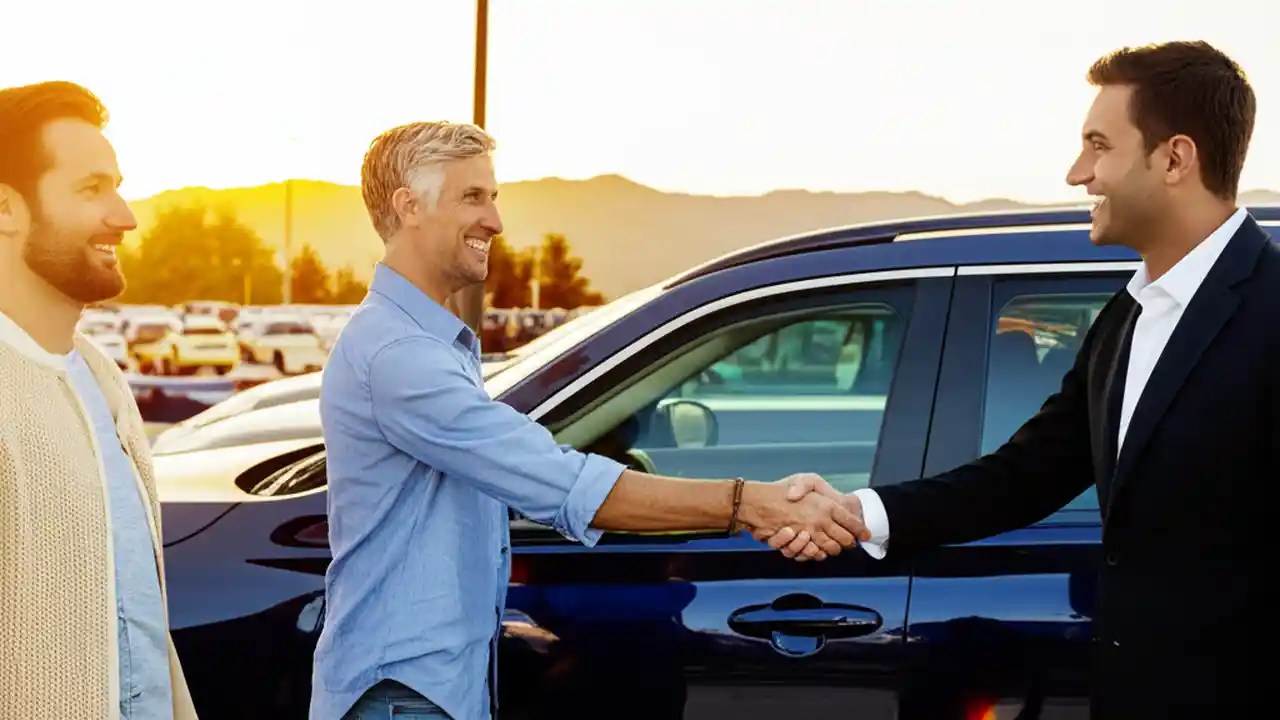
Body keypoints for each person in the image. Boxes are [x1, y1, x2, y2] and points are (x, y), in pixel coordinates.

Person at [765, 40, 1267, 718]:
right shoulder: (1128, 317)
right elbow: (1025, 474)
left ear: (1174, 158)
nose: (1076, 173)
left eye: (1099, 146)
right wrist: (860, 515)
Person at [312, 121, 869, 720]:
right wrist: (749, 503)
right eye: (473, 197)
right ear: (408, 206)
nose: (495, 222)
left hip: (428, 687)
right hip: (406, 697)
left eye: (493, 198)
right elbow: (561, 483)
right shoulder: (401, 357)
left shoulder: (426, 344)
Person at [0, 81, 197, 718]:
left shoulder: (99, 376)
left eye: (117, 185)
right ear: (6, 209)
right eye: (91, 189)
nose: (125, 215)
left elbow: (139, 626)